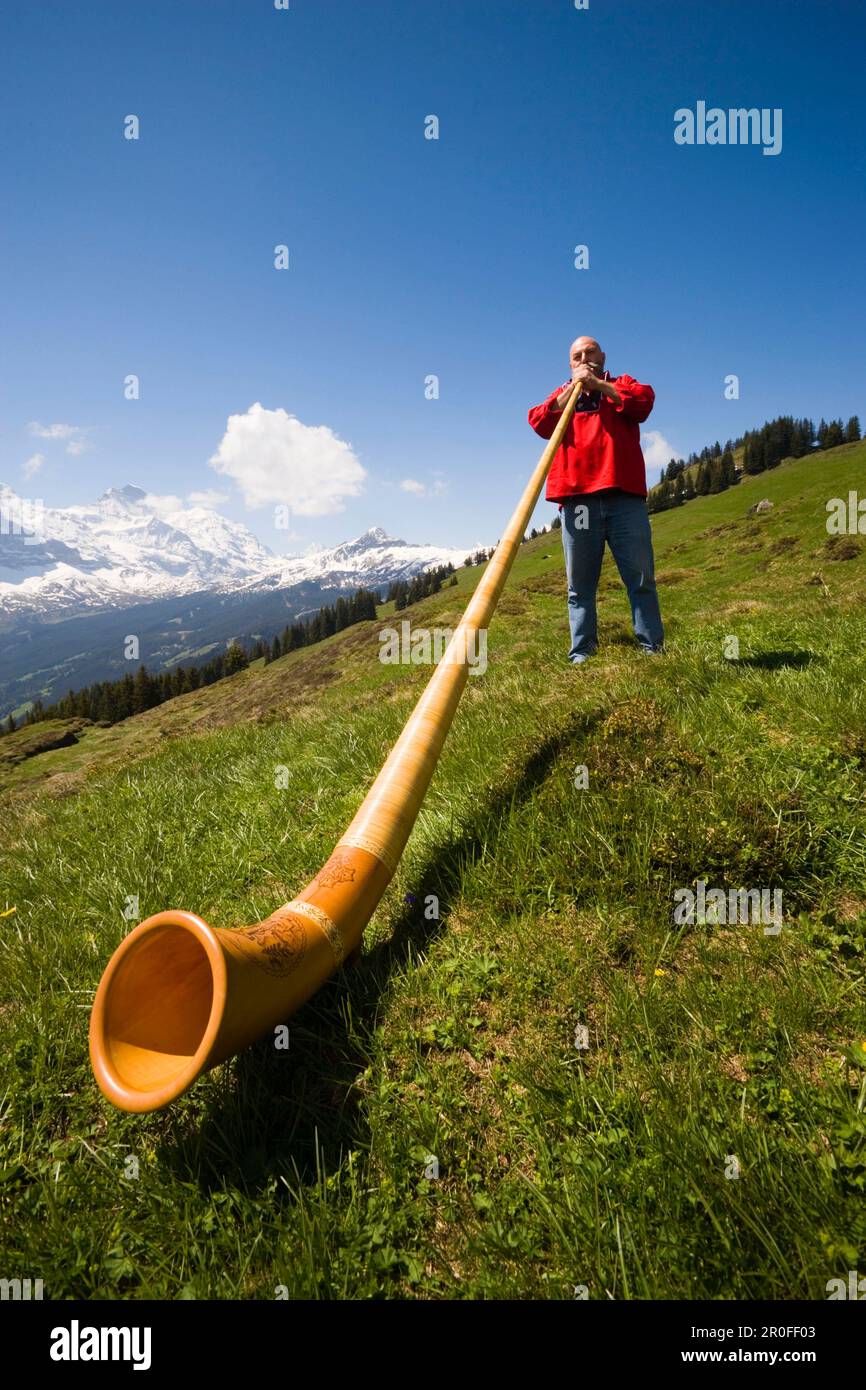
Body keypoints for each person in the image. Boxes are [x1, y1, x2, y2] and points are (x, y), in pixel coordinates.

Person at [527, 336, 665, 664]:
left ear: (603, 356)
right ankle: (582, 655)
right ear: (570, 363)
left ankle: (653, 650)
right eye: (577, 355)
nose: (585, 358)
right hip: (577, 501)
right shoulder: (563, 394)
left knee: (641, 578)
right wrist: (568, 395)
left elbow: (643, 403)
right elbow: (538, 421)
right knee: (580, 586)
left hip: (624, 498)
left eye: (590, 352)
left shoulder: (621, 384)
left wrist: (601, 388)